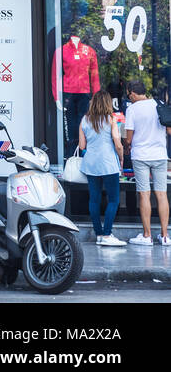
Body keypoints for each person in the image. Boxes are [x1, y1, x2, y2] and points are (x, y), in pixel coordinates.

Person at [123, 79, 171, 246]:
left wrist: (126, 147)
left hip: (141, 156)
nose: (129, 98)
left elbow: (128, 138)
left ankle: (147, 235)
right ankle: (165, 236)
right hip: (159, 154)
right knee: (162, 194)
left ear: (133, 93)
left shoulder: (132, 109)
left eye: (129, 95)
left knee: (144, 194)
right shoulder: (159, 103)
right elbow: (169, 129)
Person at [77, 89, 125, 247]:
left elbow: (82, 146)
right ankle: (107, 234)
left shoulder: (85, 120)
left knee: (94, 200)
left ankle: (98, 234)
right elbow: (118, 144)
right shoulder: (110, 119)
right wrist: (121, 157)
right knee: (113, 200)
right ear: (107, 103)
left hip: (90, 164)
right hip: (108, 163)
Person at [51, 33, 100, 149]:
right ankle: (70, 154)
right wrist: (56, 97)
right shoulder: (61, 51)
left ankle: (83, 152)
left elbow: (95, 77)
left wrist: (96, 97)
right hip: (68, 94)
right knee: (71, 126)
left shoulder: (89, 51)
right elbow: (55, 76)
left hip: (85, 94)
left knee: (84, 124)